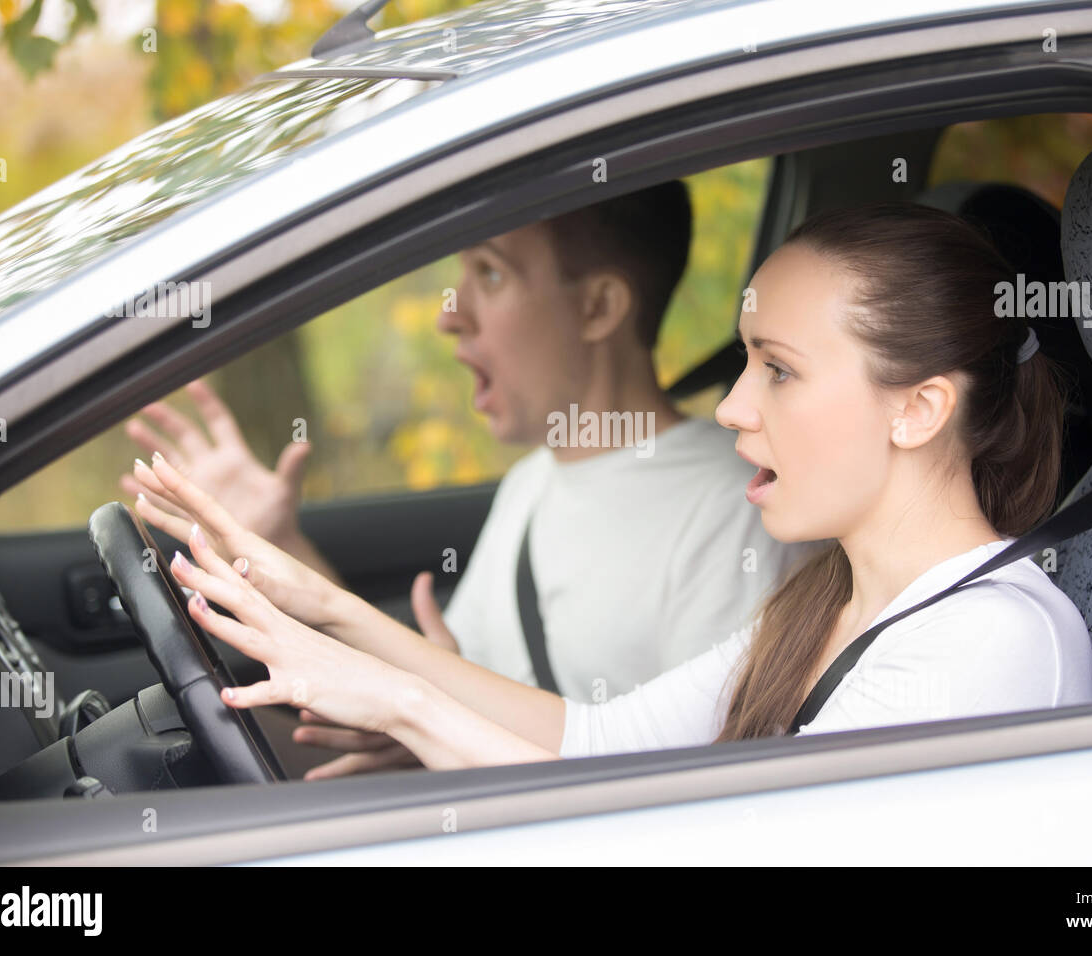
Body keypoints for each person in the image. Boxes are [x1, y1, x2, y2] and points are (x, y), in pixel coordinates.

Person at [129, 201, 1092, 772]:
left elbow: (701, 848)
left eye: (779, 370)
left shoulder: (986, 643)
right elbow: (590, 740)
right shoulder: (825, 605)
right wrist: (319, 601)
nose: (730, 407)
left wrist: (401, 706)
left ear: (917, 409)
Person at [120, 181, 806, 710]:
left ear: (598, 307)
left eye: (492, 274)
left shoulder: (735, 514)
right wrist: (278, 544)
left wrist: (425, 722)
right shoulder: (533, 484)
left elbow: (700, 791)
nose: (451, 313)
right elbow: (447, 684)